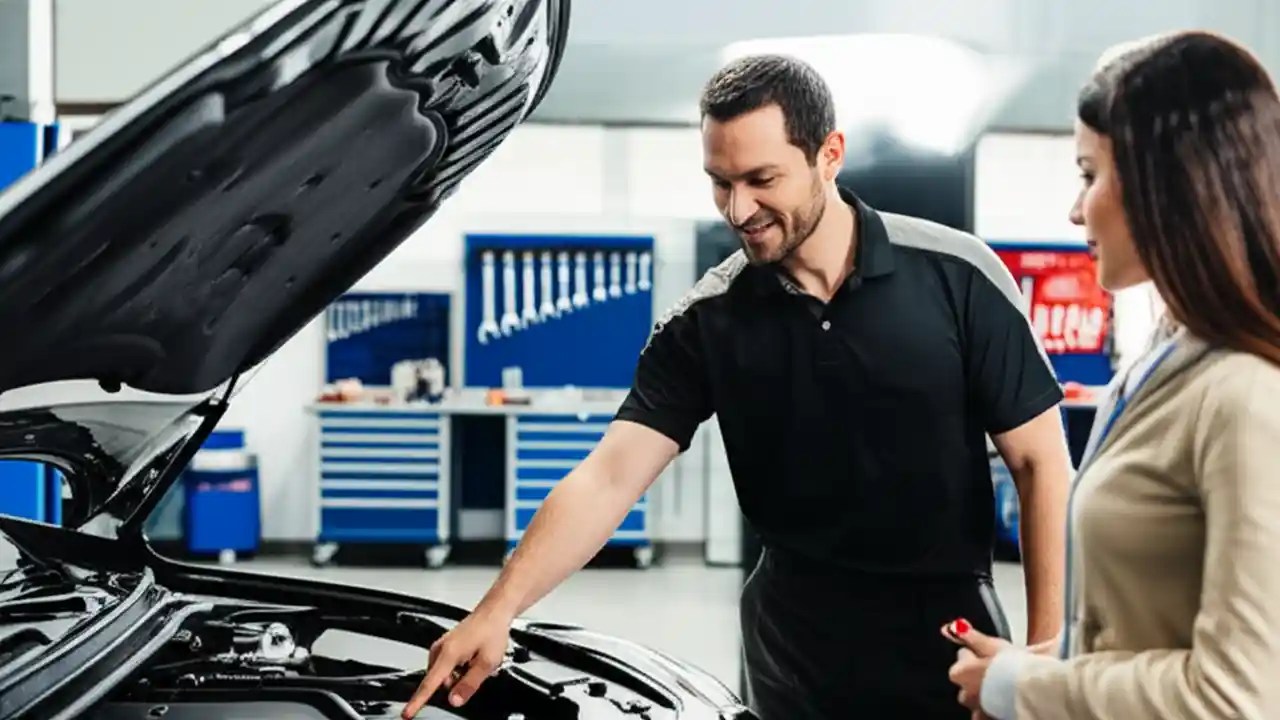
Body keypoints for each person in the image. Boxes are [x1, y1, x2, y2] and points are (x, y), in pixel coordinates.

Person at [402, 53, 1073, 720]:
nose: (737, 208)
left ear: (829, 155)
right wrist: (497, 610)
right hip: (791, 652)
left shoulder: (958, 276)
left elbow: (1041, 464)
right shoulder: (708, 320)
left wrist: (1045, 655)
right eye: (719, 182)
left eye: (761, 179)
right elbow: (607, 479)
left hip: (949, 643)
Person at [944, 30, 1280, 719]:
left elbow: (1237, 698)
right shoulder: (1166, 353)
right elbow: (1139, 630)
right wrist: (1026, 662)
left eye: (1090, 175)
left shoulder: (1244, 395)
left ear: (1170, 184)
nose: (1074, 209)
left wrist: (1018, 690)